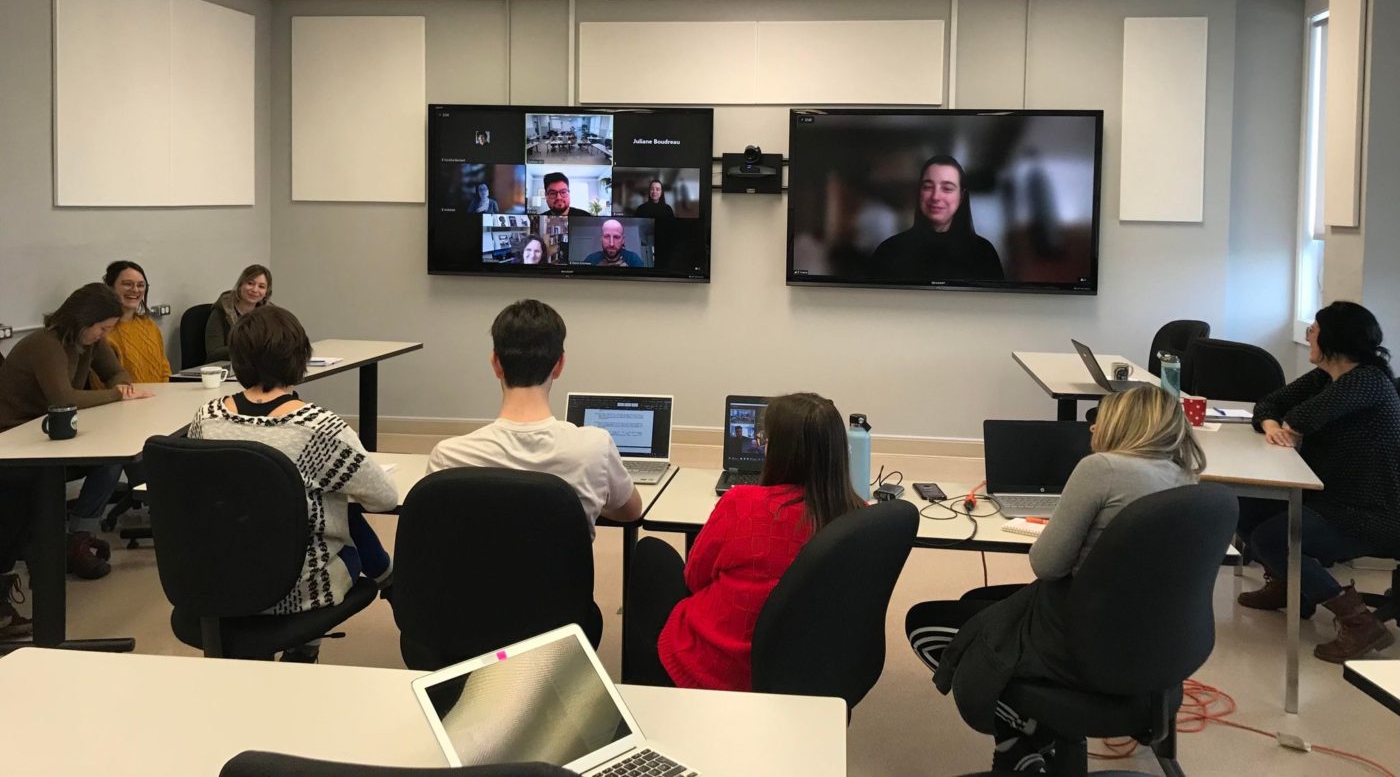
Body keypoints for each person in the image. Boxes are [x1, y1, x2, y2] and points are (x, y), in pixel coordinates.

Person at [905, 384, 1203, 773]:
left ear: (1122, 424)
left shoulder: (1101, 469)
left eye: (1099, 422)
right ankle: (1026, 740)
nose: (1092, 431)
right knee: (979, 598)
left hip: (1079, 644)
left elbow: (1046, 565)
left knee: (925, 623)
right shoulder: (1186, 479)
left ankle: (1022, 730)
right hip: (1148, 645)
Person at [187, 305, 396, 662]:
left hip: (218, 583)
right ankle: (306, 645)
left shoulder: (206, 419)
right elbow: (384, 498)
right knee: (343, 519)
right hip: (299, 590)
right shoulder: (320, 428)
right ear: (300, 359)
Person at [625, 392, 865, 691]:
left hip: (724, 667)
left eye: (766, 440)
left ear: (779, 451)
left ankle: (640, 688)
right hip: (809, 668)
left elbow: (695, 577)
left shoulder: (742, 502)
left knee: (651, 553)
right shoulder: (859, 520)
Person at [1237, 300, 1400, 662]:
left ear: (1334, 339)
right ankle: (1290, 588)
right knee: (1246, 506)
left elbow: (1303, 416)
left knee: (1271, 537)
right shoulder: (1328, 376)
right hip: (1326, 496)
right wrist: (1271, 424)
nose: (1309, 335)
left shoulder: (1367, 381)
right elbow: (1269, 404)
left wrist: (1286, 424)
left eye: (1314, 330)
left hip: (1367, 512)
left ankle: (1359, 623)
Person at [426, 300, 642, 536]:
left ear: (496, 364)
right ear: (559, 365)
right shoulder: (594, 448)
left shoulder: (448, 458)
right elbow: (631, 511)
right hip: (562, 575)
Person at [0, 283, 156, 581]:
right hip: (17, 441)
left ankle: (78, 537)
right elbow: (64, 399)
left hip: (52, 436)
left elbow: (115, 373)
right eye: (102, 328)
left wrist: (121, 384)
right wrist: (118, 395)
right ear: (84, 321)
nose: (104, 335)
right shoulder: (46, 344)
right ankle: (48, 548)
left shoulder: (89, 343)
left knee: (111, 460)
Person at [870, 155, 1005, 282]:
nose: (935, 197)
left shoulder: (984, 254)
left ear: (961, 196)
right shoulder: (889, 251)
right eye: (928, 187)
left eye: (947, 188)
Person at [95, 260, 171, 385]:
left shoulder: (149, 324)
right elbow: (100, 384)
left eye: (141, 285)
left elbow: (165, 369)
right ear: (110, 287)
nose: (135, 290)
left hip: (158, 398)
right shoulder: (103, 331)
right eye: (127, 284)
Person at [205, 264, 272, 363]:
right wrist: (250, 349)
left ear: (266, 292)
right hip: (227, 370)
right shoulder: (221, 312)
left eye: (261, 286)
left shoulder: (269, 314)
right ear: (240, 285)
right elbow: (213, 354)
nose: (255, 290)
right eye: (250, 283)